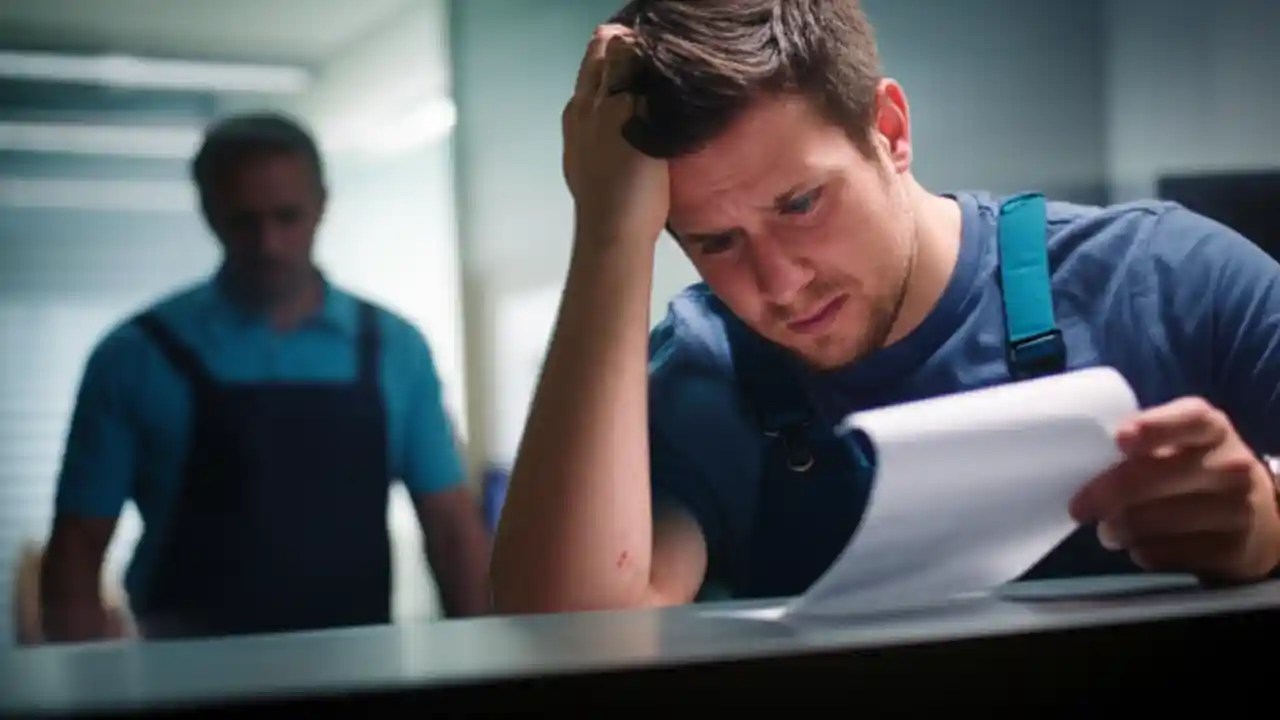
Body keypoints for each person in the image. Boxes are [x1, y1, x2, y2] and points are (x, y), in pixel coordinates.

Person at [489, 0, 1280, 614]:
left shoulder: (1174, 281)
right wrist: (607, 239)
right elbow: (567, 637)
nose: (780, 283)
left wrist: (1264, 523)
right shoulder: (705, 372)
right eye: (714, 242)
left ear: (890, 130)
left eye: (801, 204)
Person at [41, 112, 491, 641]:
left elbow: (452, 531)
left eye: (287, 217)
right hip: (182, 675)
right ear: (209, 211)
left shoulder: (396, 349)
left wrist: (489, 675)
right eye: (244, 221)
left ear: (323, 205)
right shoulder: (134, 357)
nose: (268, 243)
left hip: (361, 670)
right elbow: (77, 548)